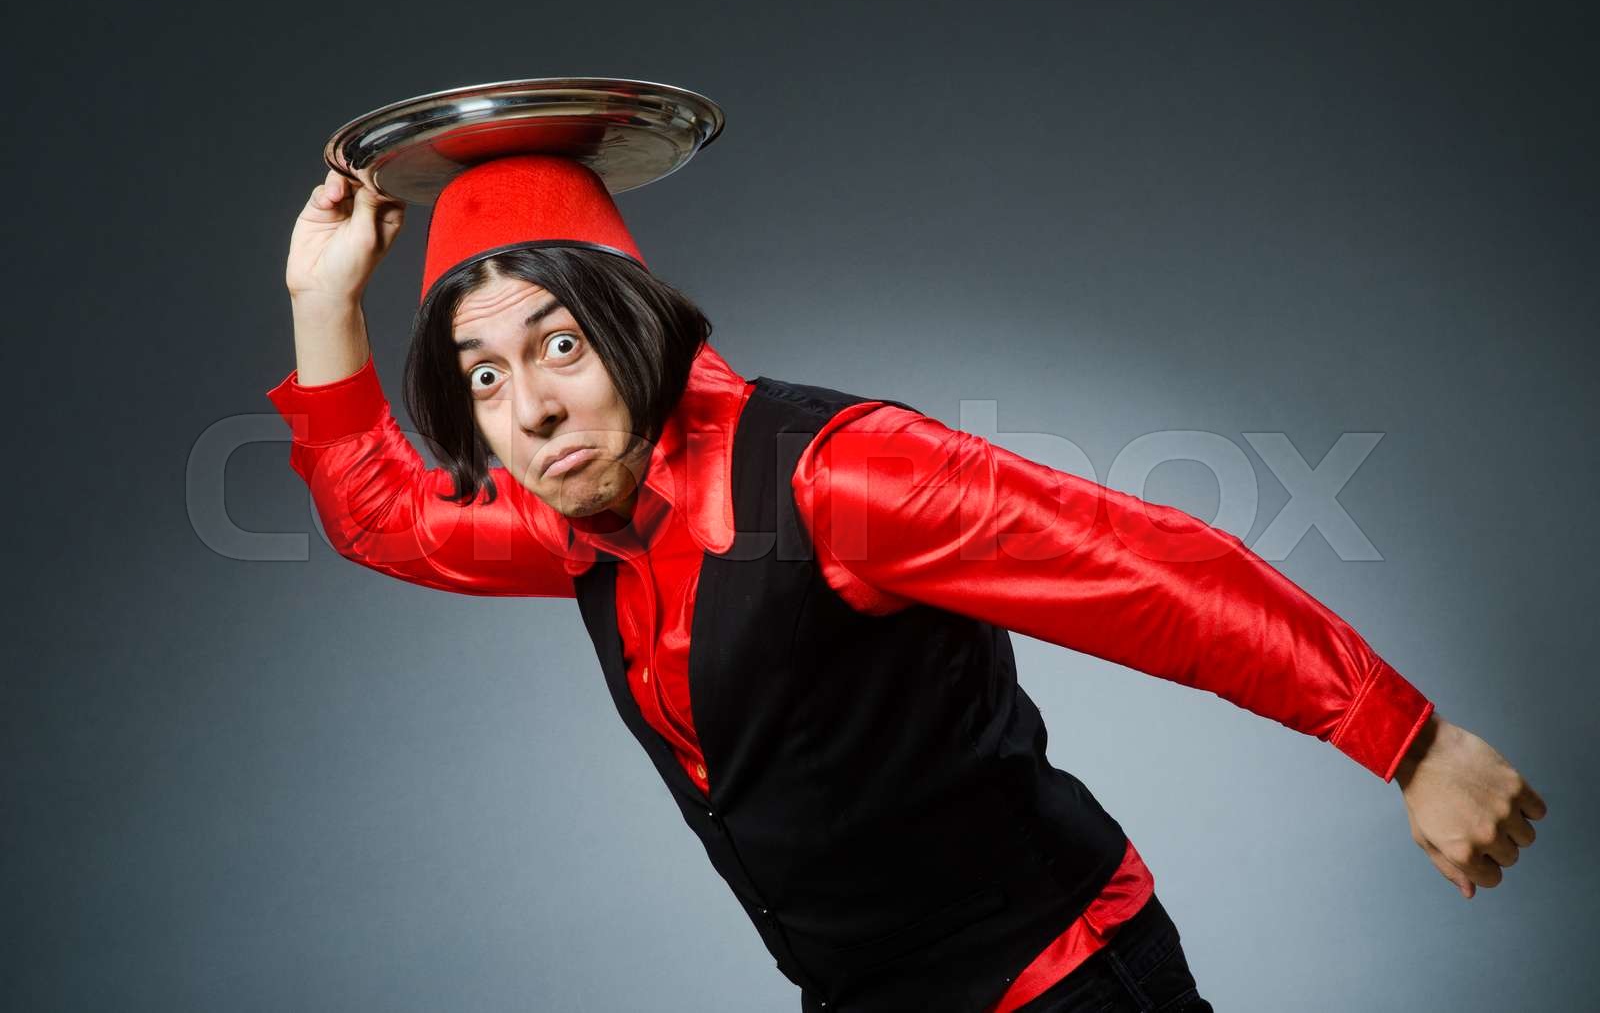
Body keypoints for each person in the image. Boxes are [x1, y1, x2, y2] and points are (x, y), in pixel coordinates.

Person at [270, 159, 1547, 1012]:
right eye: (485, 375)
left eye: (560, 343)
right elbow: (385, 517)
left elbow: (1141, 565)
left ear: (636, 326)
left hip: (1059, 984)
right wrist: (321, 302)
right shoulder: (578, 519)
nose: (532, 407)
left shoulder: (838, 475)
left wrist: (1406, 739)